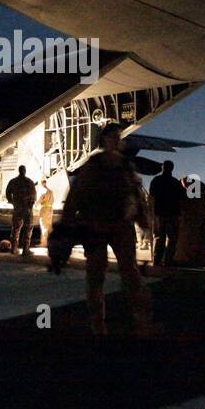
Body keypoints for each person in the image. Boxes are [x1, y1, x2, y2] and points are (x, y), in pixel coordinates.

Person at [60, 123, 155, 336]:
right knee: (95, 276)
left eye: (118, 137)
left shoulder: (125, 166)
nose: (115, 140)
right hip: (95, 226)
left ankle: (141, 321)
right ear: (103, 140)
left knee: (130, 273)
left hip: (121, 226)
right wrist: (67, 225)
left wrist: (143, 219)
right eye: (111, 137)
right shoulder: (92, 165)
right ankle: (98, 324)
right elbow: (75, 195)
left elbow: (135, 194)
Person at [149, 160, 186, 268]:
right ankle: (169, 260)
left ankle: (157, 260)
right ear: (172, 168)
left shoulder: (156, 180)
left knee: (159, 237)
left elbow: (152, 193)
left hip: (159, 213)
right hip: (173, 213)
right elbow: (183, 196)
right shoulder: (175, 182)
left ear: (162, 168)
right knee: (173, 238)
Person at [5, 165, 38, 257]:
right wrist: (30, 205)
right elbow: (34, 195)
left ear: (19, 171)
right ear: (25, 171)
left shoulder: (13, 181)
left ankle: (13, 249)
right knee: (28, 228)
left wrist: (12, 202)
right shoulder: (29, 182)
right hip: (27, 209)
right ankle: (25, 250)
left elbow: (7, 192)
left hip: (17, 208)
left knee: (15, 228)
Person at [37, 178, 55, 245]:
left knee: (44, 226)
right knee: (49, 226)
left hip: (44, 209)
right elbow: (53, 200)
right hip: (50, 209)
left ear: (41, 183)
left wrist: (36, 205)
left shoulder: (42, 191)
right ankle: (50, 242)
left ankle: (44, 243)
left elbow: (38, 201)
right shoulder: (50, 191)